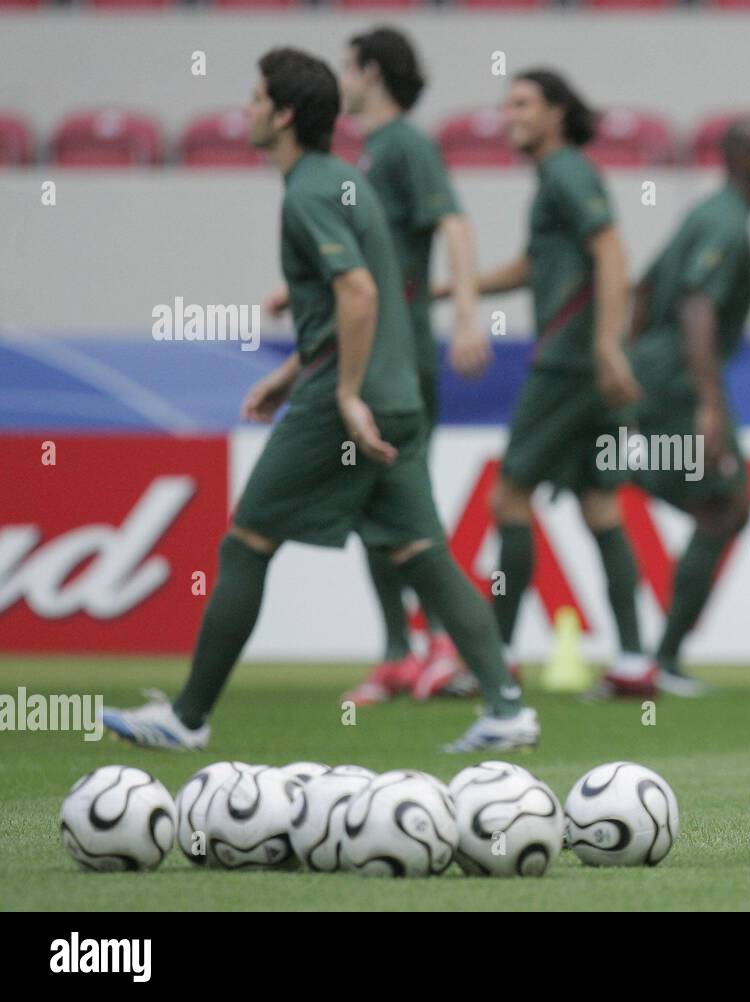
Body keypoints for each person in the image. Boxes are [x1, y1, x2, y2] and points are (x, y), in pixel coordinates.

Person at [103, 48, 536, 754]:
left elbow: (359, 294)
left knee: (245, 542)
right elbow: (355, 296)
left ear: (283, 114)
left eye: (254, 97)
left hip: (350, 402)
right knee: (425, 553)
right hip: (397, 397)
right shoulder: (342, 180)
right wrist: (294, 371)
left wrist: (338, 392)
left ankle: (186, 718)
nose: (243, 109)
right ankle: (508, 708)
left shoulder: (309, 189)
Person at [445, 69, 649, 689]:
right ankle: (636, 663)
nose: (509, 115)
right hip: (588, 366)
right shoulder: (555, 179)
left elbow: (612, 253)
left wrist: (607, 344)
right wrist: (454, 289)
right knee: (601, 506)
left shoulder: (567, 172)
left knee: (508, 497)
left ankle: (496, 660)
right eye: (505, 104)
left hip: (568, 365)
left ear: (558, 110)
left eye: (523, 104)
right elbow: (534, 267)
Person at [325, 25, 489, 706]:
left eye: (348, 67)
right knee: (372, 498)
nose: (341, 80)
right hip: (372, 352)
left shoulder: (408, 145)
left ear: (373, 72)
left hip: (402, 359)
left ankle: (448, 648)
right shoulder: (373, 150)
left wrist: (468, 313)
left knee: (404, 499)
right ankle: (400, 650)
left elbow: (453, 223)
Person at [620, 119, 750, 698]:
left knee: (724, 507)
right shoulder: (724, 222)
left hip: (659, 371)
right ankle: (661, 659)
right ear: (742, 159)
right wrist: (709, 404)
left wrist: (624, 360)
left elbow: (644, 286)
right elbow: (696, 307)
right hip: (677, 379)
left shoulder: (711, 214)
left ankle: (662, 657)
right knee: (726, 506)